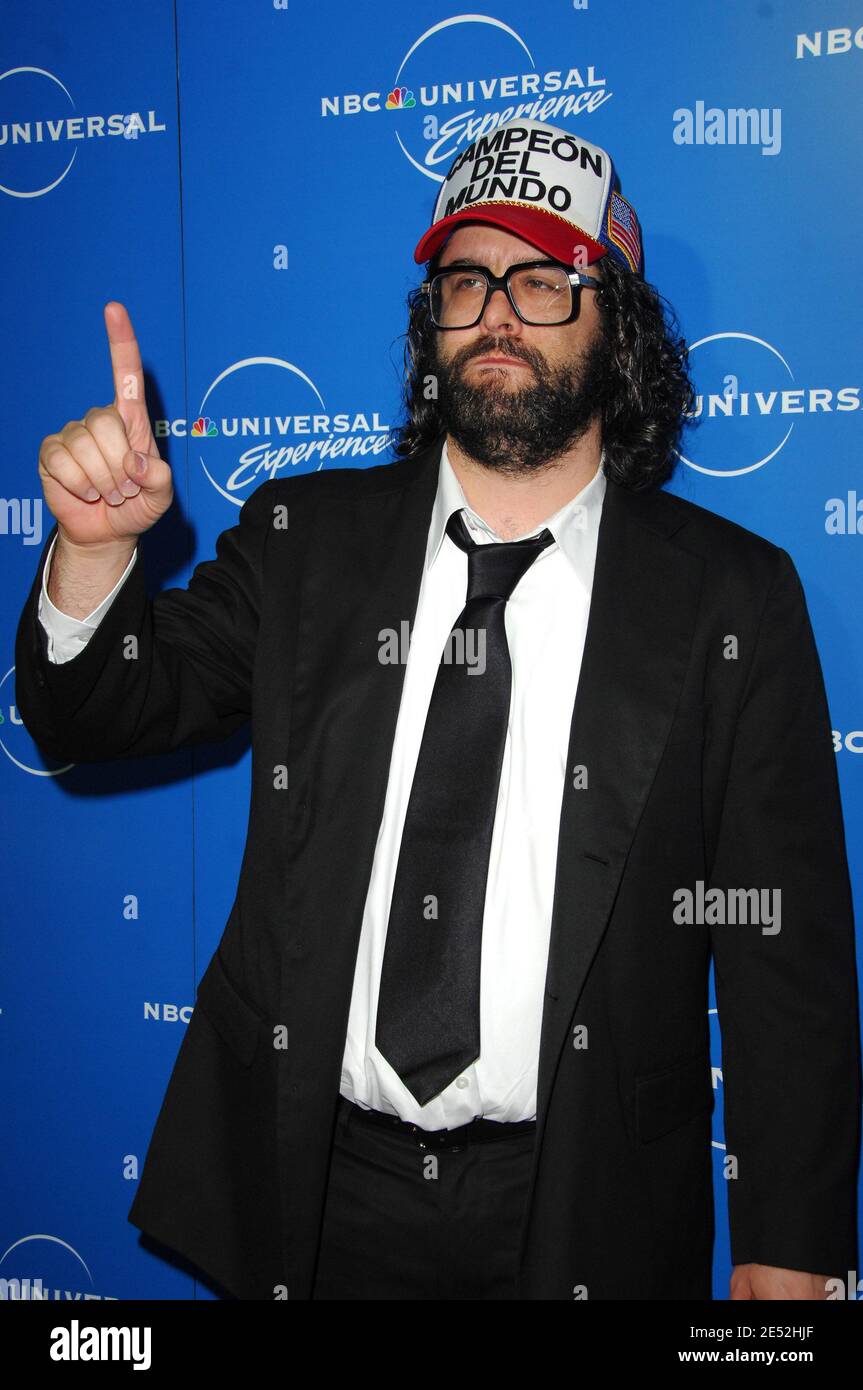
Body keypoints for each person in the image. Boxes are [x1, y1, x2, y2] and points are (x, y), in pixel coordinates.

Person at [16, 118, 860, 1301]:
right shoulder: (304, 543)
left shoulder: (730, 594)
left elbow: (781, 952)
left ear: (613, 321)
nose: (498, 312)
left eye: (541, 279)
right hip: (316, 1191)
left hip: (584, 1208)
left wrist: (788, 1249)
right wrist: (93, 559)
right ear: (433, 322)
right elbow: (91, 711)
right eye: (467, 280)